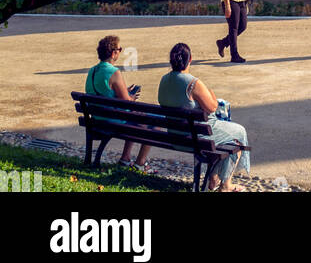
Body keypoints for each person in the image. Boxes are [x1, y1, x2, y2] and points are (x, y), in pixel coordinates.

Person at [158, 42, 250, 193]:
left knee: (227, 137)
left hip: (175, 136)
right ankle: (225, 185)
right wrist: (212, 94)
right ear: (190, 59)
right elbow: (212, 107)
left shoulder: (164, 80)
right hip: (196, 138)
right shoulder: (193, 83)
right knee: (238, 134)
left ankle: (214, 177)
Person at [84, 33, 151, 169]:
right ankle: (140, 163)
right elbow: (127, 101)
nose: (120, 52)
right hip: (112, 121)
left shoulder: (92, 71)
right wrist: (131, 95)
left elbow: (104, 91)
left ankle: (126, 158)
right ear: (114, 53)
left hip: (97, 118)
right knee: (149, 123)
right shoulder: (114, 72)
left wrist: (122, 91)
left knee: (134, 115)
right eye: (120, 50)